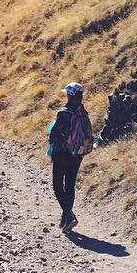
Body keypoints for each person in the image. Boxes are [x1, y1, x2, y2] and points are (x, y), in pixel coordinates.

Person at [48, 82, 94, 233]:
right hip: (77, 154)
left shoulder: (64, 113)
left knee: (57, 185)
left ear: (69, 95)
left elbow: (54, 134)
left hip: (62, 153)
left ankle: (68, 214)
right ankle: (65, 219)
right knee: (70, 185)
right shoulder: (83, 112)